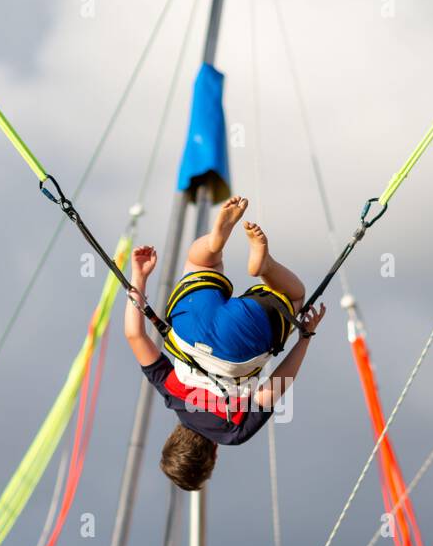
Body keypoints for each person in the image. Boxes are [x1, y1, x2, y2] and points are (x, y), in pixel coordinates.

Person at [124, 196, 325, 490]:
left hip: (243, 339)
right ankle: (215, 241)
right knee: (199, 260)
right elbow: (134, 335)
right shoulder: (171, 395)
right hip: (191, 322)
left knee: (295, 296)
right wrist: (139, 278)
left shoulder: (233, 432)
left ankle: (265, 265)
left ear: (212, 456)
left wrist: (305, 338)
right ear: (173, 437)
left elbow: (274, 387)